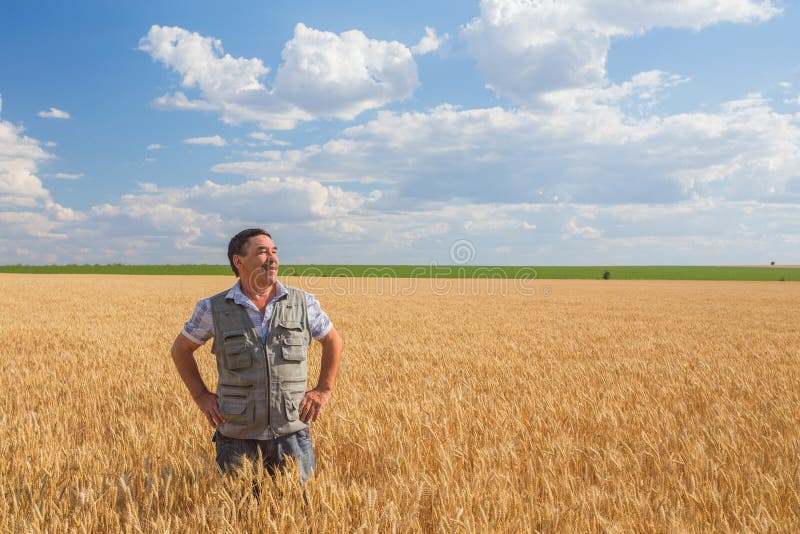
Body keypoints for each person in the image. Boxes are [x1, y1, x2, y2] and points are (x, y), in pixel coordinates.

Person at [170, 228, 342, 484]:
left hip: (292, 435)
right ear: (238, 261)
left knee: (301, 513)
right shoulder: (213, 308)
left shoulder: (302, 302)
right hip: (237, 437)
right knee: (239, 516)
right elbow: (180, 349)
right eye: (262, 252)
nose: (272, 259)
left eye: (274, 252)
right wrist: (201, 396)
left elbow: (332, 341)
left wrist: (323, 390)